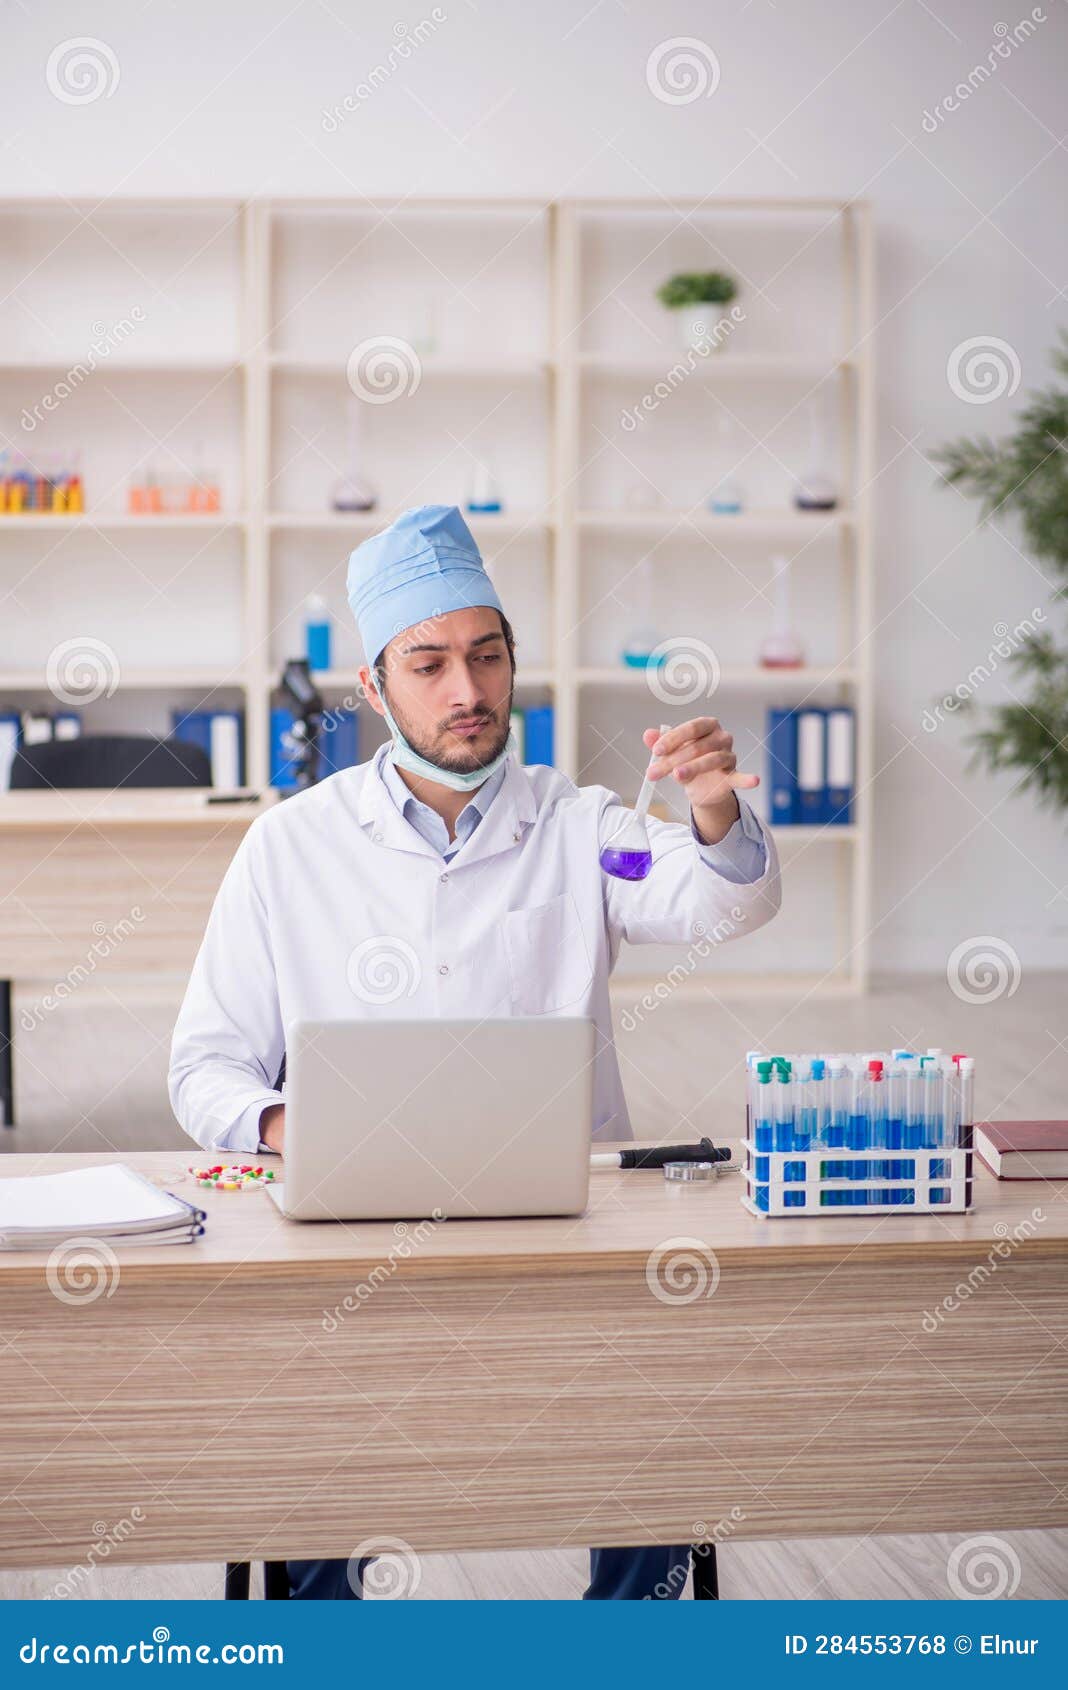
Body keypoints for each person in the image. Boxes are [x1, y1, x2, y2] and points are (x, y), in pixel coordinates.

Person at [169, 503, 781, 1600]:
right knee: (317, 1415)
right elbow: (204, 1065)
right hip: (352, 1234)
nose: (468, 690)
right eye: (432, 662)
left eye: (488, 656)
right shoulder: (288, 848)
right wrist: (285, 1126)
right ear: (374, 687)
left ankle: (627, 1637)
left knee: (654, 1389)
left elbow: (716, 904)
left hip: (561, 1228)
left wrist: (714, 811)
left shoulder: (588, 828)